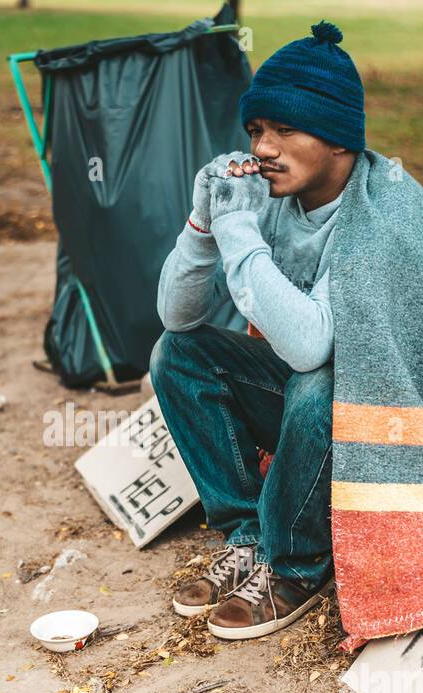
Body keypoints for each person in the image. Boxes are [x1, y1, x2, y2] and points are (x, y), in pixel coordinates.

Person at [151, 20, 361, 640]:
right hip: (309, 416)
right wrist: (201, 221)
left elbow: (308, 348)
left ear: (340, 140)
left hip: (383, 425)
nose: (263, 147)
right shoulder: (268, 197)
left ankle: (295, 561)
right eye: (256, 131)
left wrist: (239, 233)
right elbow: (177, 316)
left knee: (316, 379)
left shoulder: (377, 215)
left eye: (285, 130)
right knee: (178, 353)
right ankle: (249, 536)